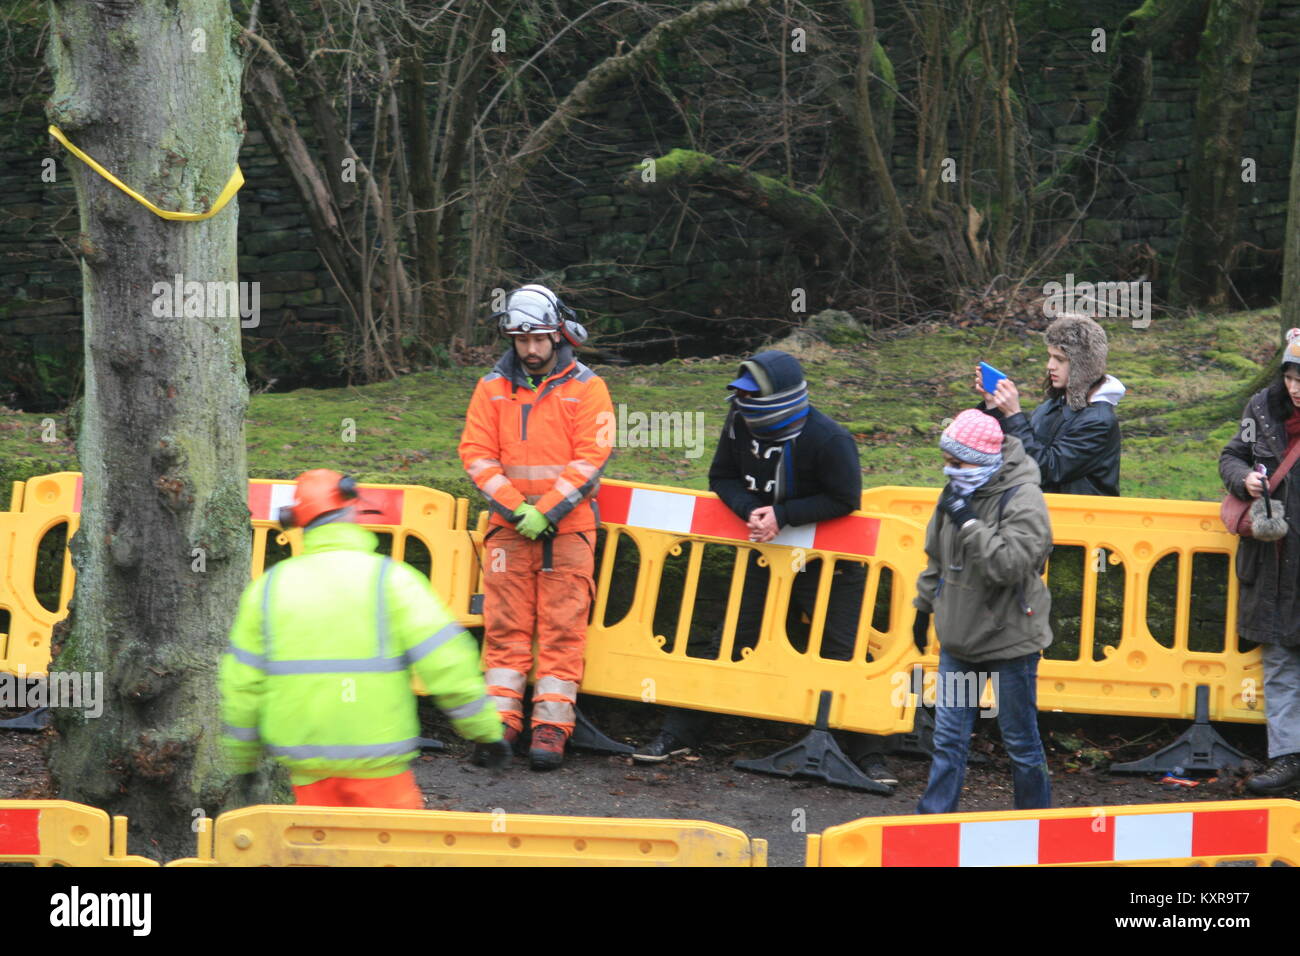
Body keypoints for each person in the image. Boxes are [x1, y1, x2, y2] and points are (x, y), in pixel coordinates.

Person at [633, 349, 897, 786]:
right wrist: (751, 510)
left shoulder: (830, 439)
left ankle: (868, 754)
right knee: (730, 638)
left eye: (752, 397)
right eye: (740, 397)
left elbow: (846, 498)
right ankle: (677, 733)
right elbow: (721, 477)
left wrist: (785, 514)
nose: (742, 406)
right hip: (761, 553)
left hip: (833, 563)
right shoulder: (738, 423)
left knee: (841, 649)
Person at [220, 469, 508, 810]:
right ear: (352, 510)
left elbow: (242, 683)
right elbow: (447, 663)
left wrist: (243, 760)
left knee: (314, 853)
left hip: (306, 769)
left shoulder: (267, 589)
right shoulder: (391, 580)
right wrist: (485, 731)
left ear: (297, 521)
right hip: (381, 768)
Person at [459, 284, 614, 771]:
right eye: (521, 341)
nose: (530, 350)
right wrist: (514, 507)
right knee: (504, 628)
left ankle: (552, 726)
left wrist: (545, 510)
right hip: (511, 530)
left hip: (567, 530)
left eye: (540, 340)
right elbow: (477, 455)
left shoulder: (588, 388)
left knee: (563, 630)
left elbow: (592, 458)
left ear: (558, 335)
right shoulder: (490, 389)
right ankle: (500, 722)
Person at [913, 410, 1054, 813]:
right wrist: (923, 607)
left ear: (984, 459)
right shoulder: (954, 494)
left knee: (1021, 742)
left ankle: (1035, 822)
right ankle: (933, 822)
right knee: (948, 739)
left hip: (1011, 642)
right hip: (959, 640)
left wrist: (970, 523)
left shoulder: (1024, 497)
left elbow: (1008, 565)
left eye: (958, 463)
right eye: (947, 462)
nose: (949, 470)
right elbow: (936, 558)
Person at [1219, 328, 1300, 794]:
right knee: (1280, 663)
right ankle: (1287, 758)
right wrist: (1243, 479)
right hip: (1271, 561)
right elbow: (1231, 454)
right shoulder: (1261, 410)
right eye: (1290, 375)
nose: (1294, 387)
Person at [976, 314, 1124, 496]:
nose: (1050, 366)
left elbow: (1045, 470)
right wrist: (995, 408)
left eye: (1060, 359)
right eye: (1050, 357)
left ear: (1084, 365)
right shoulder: (1052, 406)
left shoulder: (1098, 421)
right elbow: (1012, 450)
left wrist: (1014, 414)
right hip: (1041, 514)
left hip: (1081, 518)